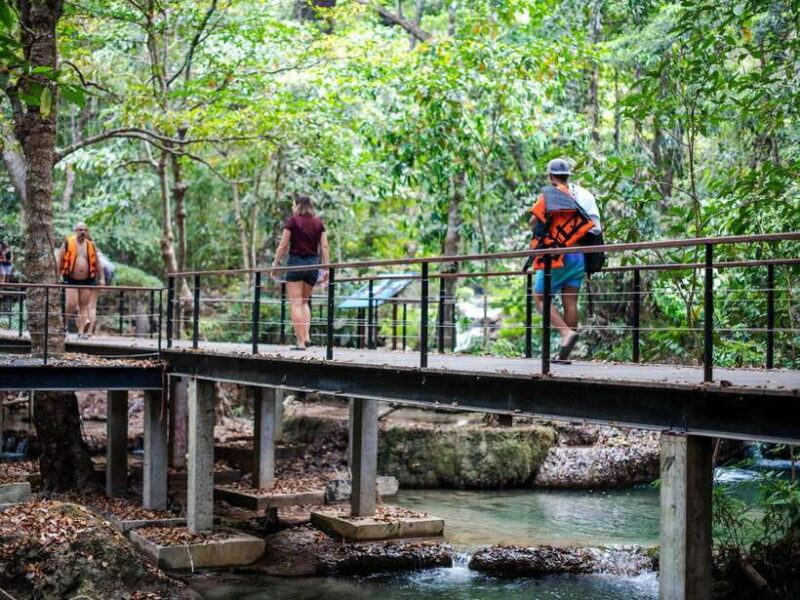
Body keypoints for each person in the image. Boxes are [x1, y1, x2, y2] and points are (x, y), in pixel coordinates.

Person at [529, 158, 601, 360]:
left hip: (555, 257)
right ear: (569, 175)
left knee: (540, 298)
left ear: (551, 176)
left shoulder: (549, 196)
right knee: (570, 302)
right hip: (578, 256)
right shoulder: (584, 195)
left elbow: (533, 221)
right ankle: (565, 355)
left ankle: (565, 333)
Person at [271, 195, 330, 350]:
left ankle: (300, 342)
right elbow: (324, 247)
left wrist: (275, 264)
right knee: (304, 302)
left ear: (297, 206)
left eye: (293, 204)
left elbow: (283, 245)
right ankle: (307, 336)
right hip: (312, 266)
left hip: (296, 264)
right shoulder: (319, 224)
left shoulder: (292, 222)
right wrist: (326, 268)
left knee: (296, 303)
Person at [55, 222, 105, 337]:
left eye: (85, 230)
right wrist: (57, 276)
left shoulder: (91, 245)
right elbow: (59, 260)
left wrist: (102, 278)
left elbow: (97, 262)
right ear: (75, 231)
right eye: (80, 230)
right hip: (71, 279)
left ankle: (81, 331)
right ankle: (65, 325)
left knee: (84, 305)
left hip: (87, 280)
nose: (82, 232)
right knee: (71, 303)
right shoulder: (68, 243)